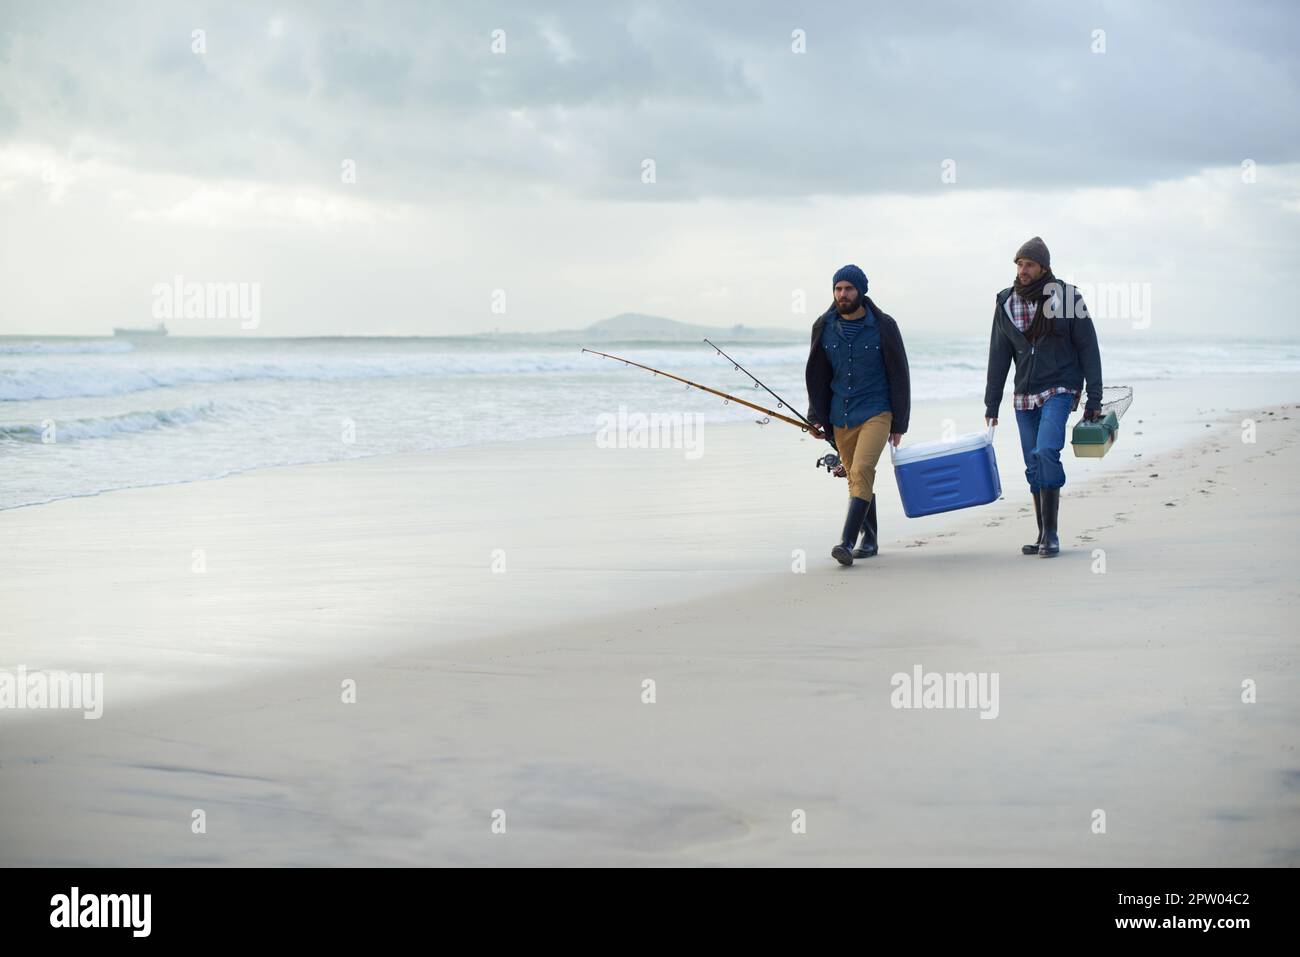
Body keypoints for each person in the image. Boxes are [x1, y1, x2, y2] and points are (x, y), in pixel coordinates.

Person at [984, 237, 1103, 557]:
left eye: (1029, 265)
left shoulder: (1067, 298)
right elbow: (999, 354)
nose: (1022, 270)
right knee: (1031, 462)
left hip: (1060, 387)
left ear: (1043, 268)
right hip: (1024, 393)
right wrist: (991, 403)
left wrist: (1094, 398)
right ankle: (1040, 533)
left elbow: (1088, 347)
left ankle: (1052, 534)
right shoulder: (1006, 302)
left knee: (1047, 449)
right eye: (1019, 264)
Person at [805, 264, 911, 566]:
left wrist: (900, 421)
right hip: (841, 414)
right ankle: (871, 537)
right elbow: (818, 376)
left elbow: (899, 374)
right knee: (854, 477)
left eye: (849, 288)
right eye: (838, 288)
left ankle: (846, 542)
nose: (843, 294)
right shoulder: (823, 326)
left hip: (877, 410)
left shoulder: (884, 325)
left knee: (862, 469)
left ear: (861, 291)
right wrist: (816, 416)